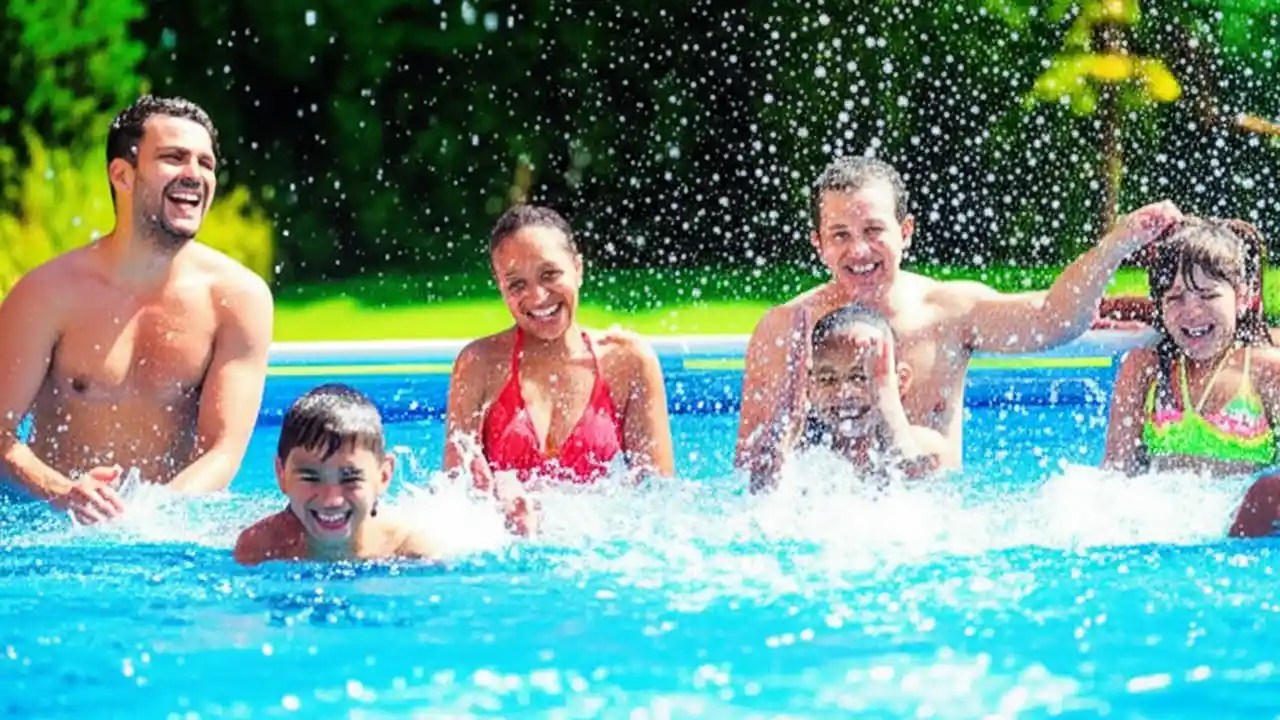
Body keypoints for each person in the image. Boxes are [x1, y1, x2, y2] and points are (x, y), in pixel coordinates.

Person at [736, 156, 1183, 483]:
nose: (859, 251)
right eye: (840, 235)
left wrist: (1113, 249)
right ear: (819, 244)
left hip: (934, 530)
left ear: (904, 232)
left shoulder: (946, 312)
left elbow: (1056, 318)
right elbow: (751, 471)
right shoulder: (787, 329)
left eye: (874, 231)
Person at [0, 95, 273, 524]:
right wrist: (62, 492)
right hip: (50, 531)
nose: (195, 175)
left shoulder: (238, 299)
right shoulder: (46, 294)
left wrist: (149, 516)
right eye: (174, 157)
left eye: (206, 163)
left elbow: (223, 450)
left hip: (170, 532)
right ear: (122, 175)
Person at [443, 204, 675, 503]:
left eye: (550, 274)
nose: (538, 297)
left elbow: (658, 499)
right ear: (500, 286)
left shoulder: (628, 362)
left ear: (578, 269)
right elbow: (452, 501)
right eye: (516, 284)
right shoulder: (479, 365)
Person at [1097, 218, 1280, 537]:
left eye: (1208, 296)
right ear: (1159, 304)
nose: (1192, 312)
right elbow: (1115, 477)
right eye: (1175, 298)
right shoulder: (1144, 368)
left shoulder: (1265, 371)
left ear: (1244, 296)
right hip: (1159, 534)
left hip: (1243, 539)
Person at [235, 384, 444, 565]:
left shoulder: (409, 550)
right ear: (281, 475)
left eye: (350, 479)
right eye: (310, 478)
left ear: (383, 476)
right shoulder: (261, 549)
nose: (331, 500)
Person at [751, 303, 947, 491]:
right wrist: (787, 419)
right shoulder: (801, 451)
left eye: (861, 377)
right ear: (810, 385)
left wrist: (888, 406)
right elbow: (763, 498)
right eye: (827, 379)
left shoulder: (924, 443)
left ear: (900, 381)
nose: (844, 392)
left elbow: (913, 490)